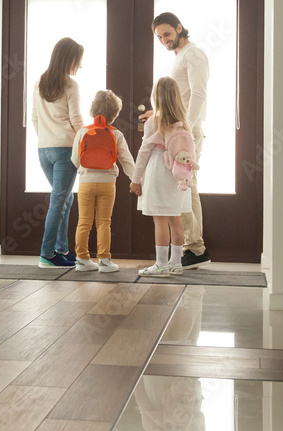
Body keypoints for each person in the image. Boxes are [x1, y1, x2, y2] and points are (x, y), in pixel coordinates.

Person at [147, 12, 211, 269]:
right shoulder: (181, 57)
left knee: (184, 187)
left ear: (179, 28)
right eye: (159, 37)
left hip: (185, 133)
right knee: (186, 186)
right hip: (178, 130)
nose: (164, 40)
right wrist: (160, 114)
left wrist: (185, 127)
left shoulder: (193, 54)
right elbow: (182, 97)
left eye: (167, 34)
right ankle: (195, 248)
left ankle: (195, 248)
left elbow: (198, 93)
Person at [131, 77, 196, 277]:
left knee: (160, 219)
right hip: (178, 175)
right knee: (175, 218)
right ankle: (175, 264)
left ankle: (160, 265)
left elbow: (144, 152)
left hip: (159, 169)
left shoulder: (154, 122)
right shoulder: (184, 123)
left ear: (155, 97)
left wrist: (135, 179)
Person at [31, 37, 85, 268]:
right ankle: (47, 254)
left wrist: (47, 137)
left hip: (44, 149)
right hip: (64, 149)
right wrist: (86, 141)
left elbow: (34, 117)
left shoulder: (39, 83)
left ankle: (61, 248)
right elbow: (75, 120)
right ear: (70, 58)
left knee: (65, 199)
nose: (80, 66)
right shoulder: (70, 85)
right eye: (78, 61)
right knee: (58, 200)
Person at [70, 90, 136, 273]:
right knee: (104, 222)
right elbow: (127, 161)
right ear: (114, 115)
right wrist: (136, 180)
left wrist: (85, 171)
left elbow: (75, 160)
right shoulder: (117, 135)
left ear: (92, 110)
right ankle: (104, 261)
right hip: (107, 184)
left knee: (83, 221)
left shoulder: (83, 132)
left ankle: (82, 260)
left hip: (85, 183)